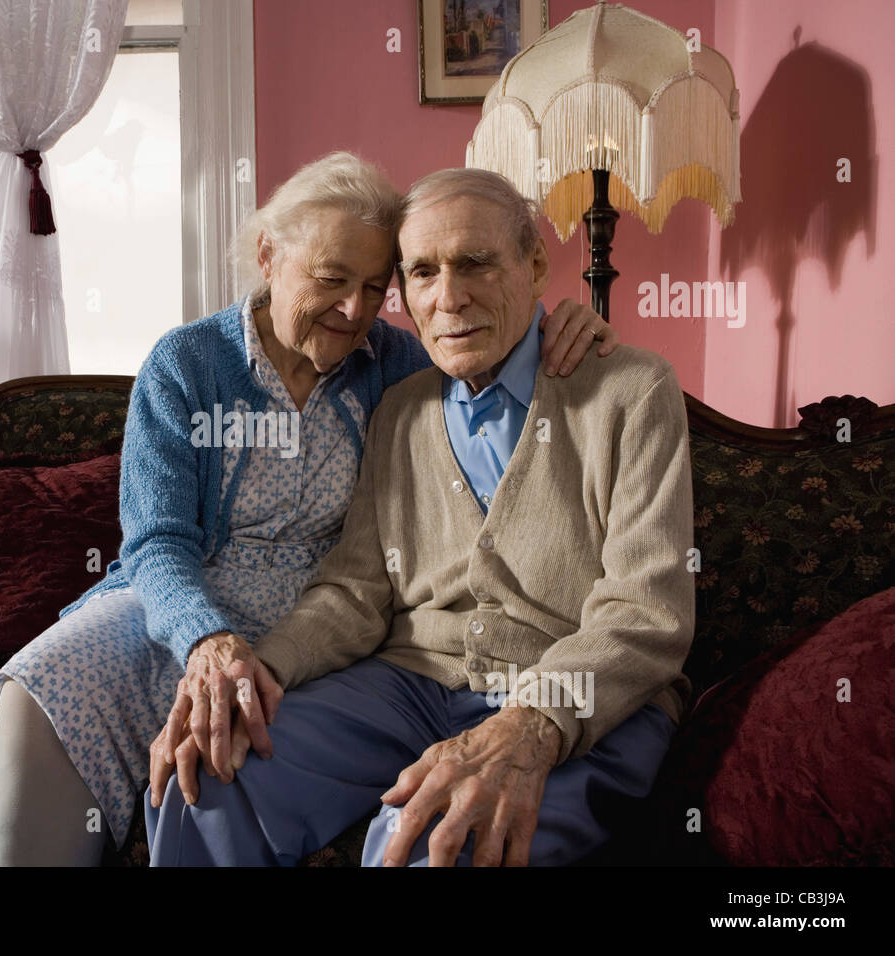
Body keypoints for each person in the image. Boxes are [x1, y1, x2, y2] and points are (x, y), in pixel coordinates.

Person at [0, 153, 616, 866]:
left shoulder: (396, 365)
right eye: (331, 280)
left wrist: (565, 324)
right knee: (44, 694)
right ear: (269, 256)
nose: (353, 311)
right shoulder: (187, 363)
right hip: (177, 609)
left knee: (212, 775)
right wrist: (206, 639)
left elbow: (483, 341)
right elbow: (156, 543)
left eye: (373, 287)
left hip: (306, 626)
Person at [144, 167, 695, 867]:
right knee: (202, 777)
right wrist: (249, 677)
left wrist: (532, 722)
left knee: (432, 846)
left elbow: (647, 613)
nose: (449, 298)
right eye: (422, 274)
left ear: (534, 264)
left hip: (581, 698)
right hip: (407, 687)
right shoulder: (400, 406)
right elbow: (353, 590)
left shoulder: (632, 392)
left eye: (475, 264)